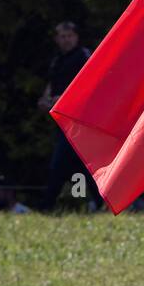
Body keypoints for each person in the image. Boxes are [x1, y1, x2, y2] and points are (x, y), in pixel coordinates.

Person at [37, 21, 102, 211]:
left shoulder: (83, 56)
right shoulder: (57, 60)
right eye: (62, 37)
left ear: (76, 37)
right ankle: (100, 203)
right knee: (81, 165)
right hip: (62, 121)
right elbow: (51, 85)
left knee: (59, 164)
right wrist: (45, 99)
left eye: (69, 36)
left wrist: (65, 97)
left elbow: (92, 82)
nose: (66, 40)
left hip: (81, 120)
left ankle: (46, 206)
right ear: (57, 39)